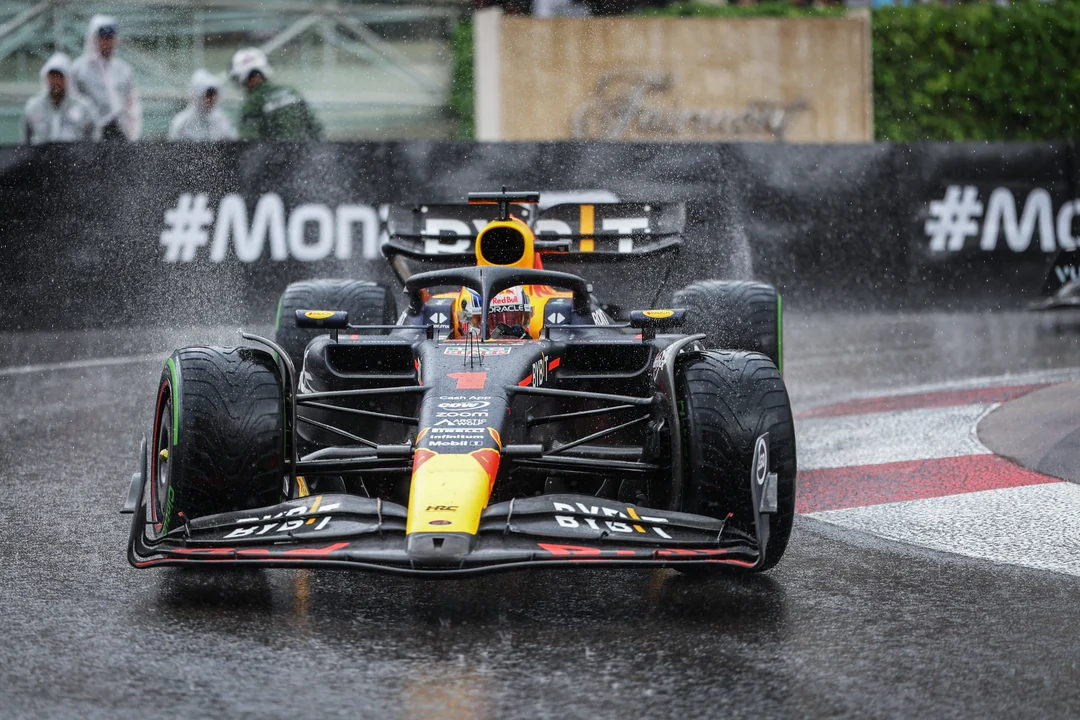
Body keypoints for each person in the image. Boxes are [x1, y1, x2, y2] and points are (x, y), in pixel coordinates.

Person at [71, 15, 141, 141]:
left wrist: (132, 134)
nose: (107, 42)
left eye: (111, 37)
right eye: (103, 37)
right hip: (89, 135)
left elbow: (131, 105)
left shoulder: (123, 70)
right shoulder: (79, 69)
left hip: (119, 133)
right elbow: (73, 102)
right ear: (93, 39)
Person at [228, 47, 322, 140]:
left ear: (243, 78)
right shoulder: (290, 91)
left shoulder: (252, 103)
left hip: (273, 154)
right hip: (303, 152)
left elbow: (248, 143)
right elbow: (316, 129)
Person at [23, 53, 97, 145]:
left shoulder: (84, 107)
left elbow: (93, 139)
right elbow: (27, 140)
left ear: (68, 78)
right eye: (52, 76)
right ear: (46, 78)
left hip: (75, 157)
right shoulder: (33, 107)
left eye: (60, 76)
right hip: (41, 157)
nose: (56, 81)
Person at [168, 69, 237, 142]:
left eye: (214, 94)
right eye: (208, 94)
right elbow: (173, 147)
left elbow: (233, 144)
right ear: (197, 96)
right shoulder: (182, 122)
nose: (212, 99)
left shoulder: (221, 120)